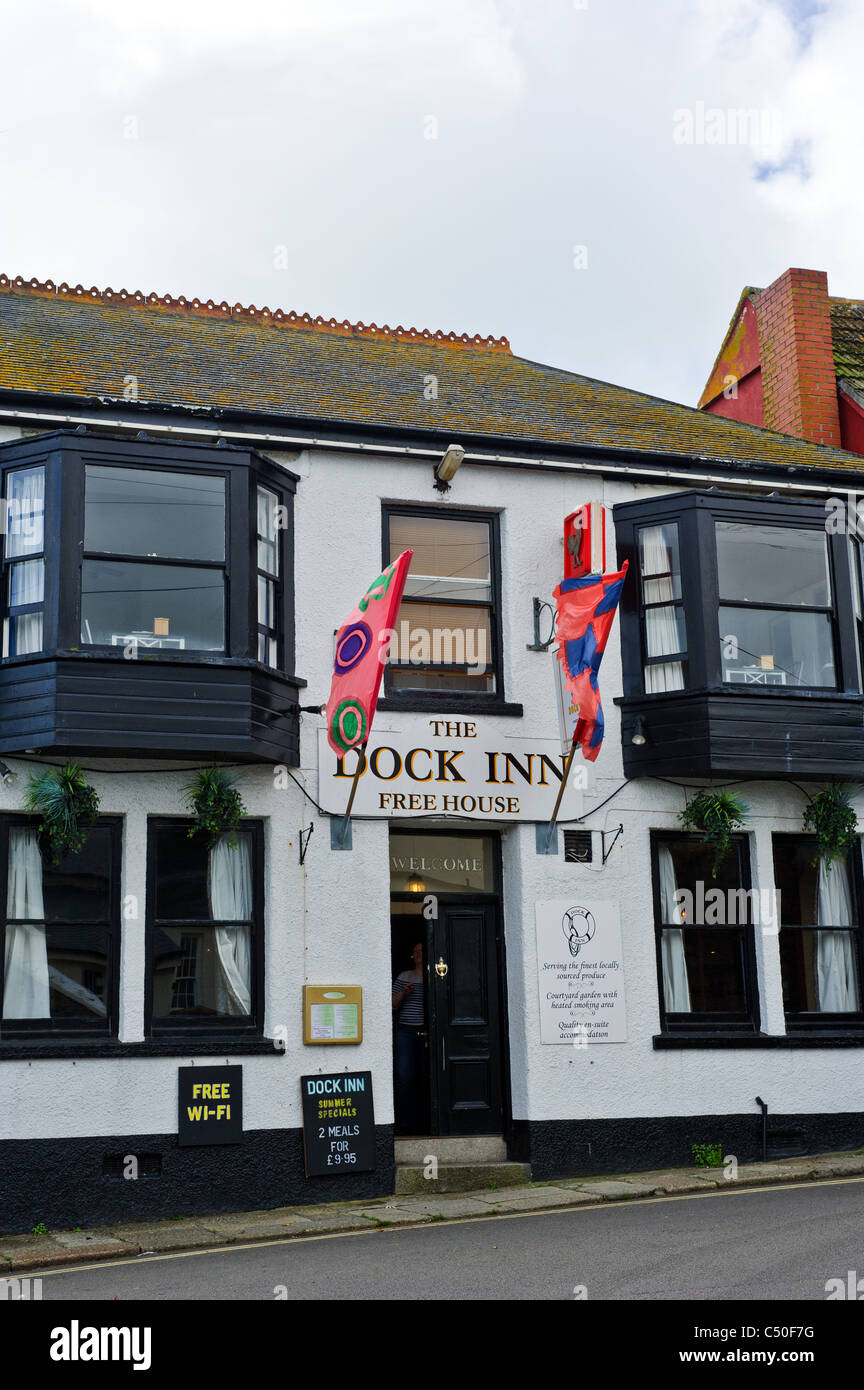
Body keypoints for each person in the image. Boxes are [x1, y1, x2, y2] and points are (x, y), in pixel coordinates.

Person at [392, 941, 426, 1134]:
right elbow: (391, 1003)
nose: (419, 953)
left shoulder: (437, 972)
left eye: (422, 950)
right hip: (406, 1031)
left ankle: (424, 1121)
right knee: (405, 1075)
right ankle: (406, 1123)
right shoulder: (405, 977)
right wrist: (403, 994)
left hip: (427, 1031)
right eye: (416, 951)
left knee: (426, 1075)